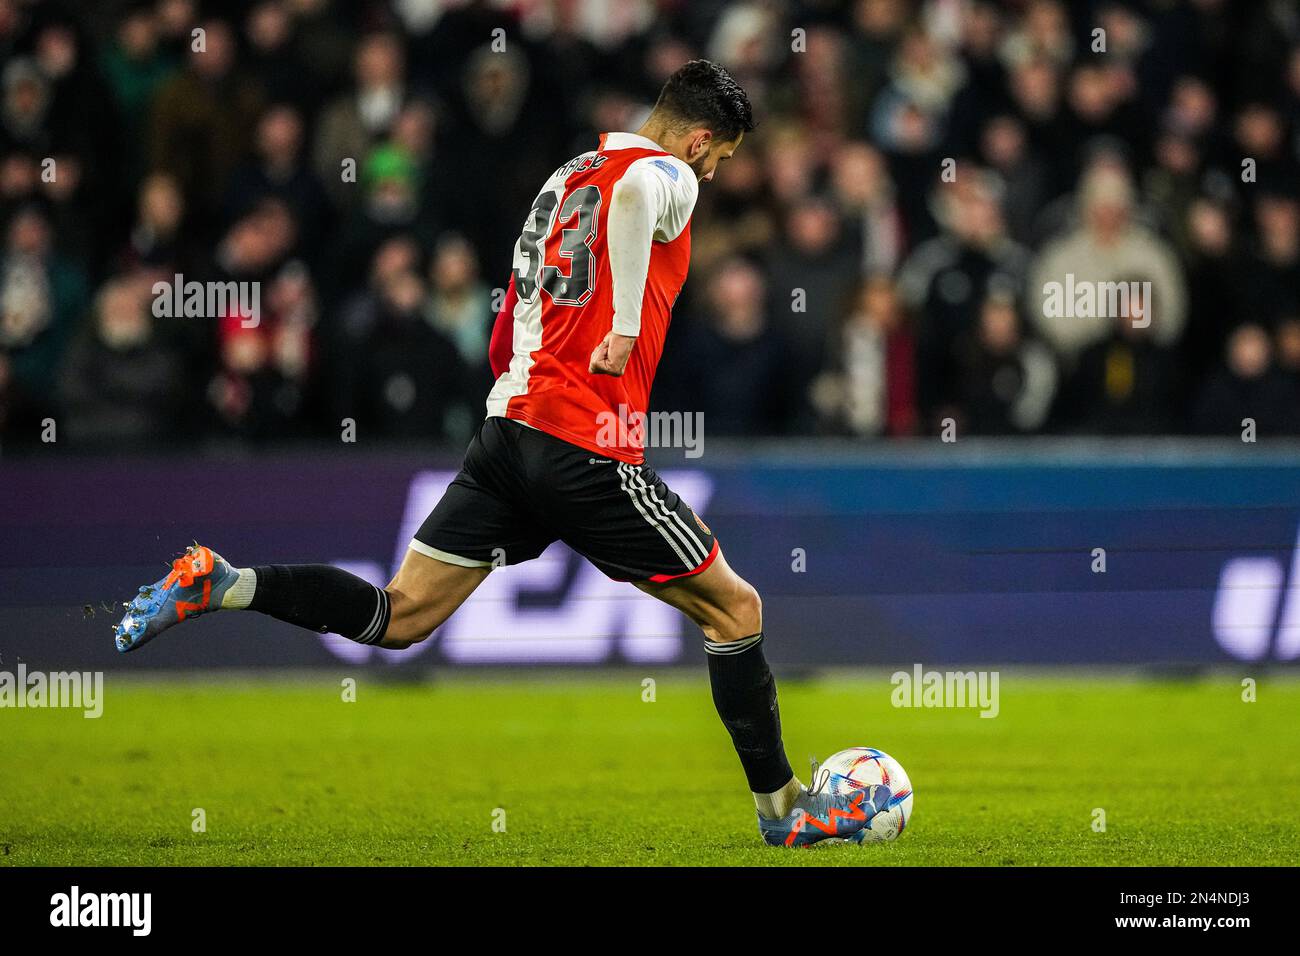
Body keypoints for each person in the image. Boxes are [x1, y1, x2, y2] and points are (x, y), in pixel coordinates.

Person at [112, 60, 891, 848]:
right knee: (738, 608)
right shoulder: (661, 174)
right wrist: (623, 321)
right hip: (582, 440)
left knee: (400, 615)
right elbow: (633, 202)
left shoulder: (565, 175)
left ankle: (224, 583)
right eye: (719, 157)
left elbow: (517, 305)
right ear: (696, 140)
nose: (716, 173)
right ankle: (784, 808)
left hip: (507, 431)